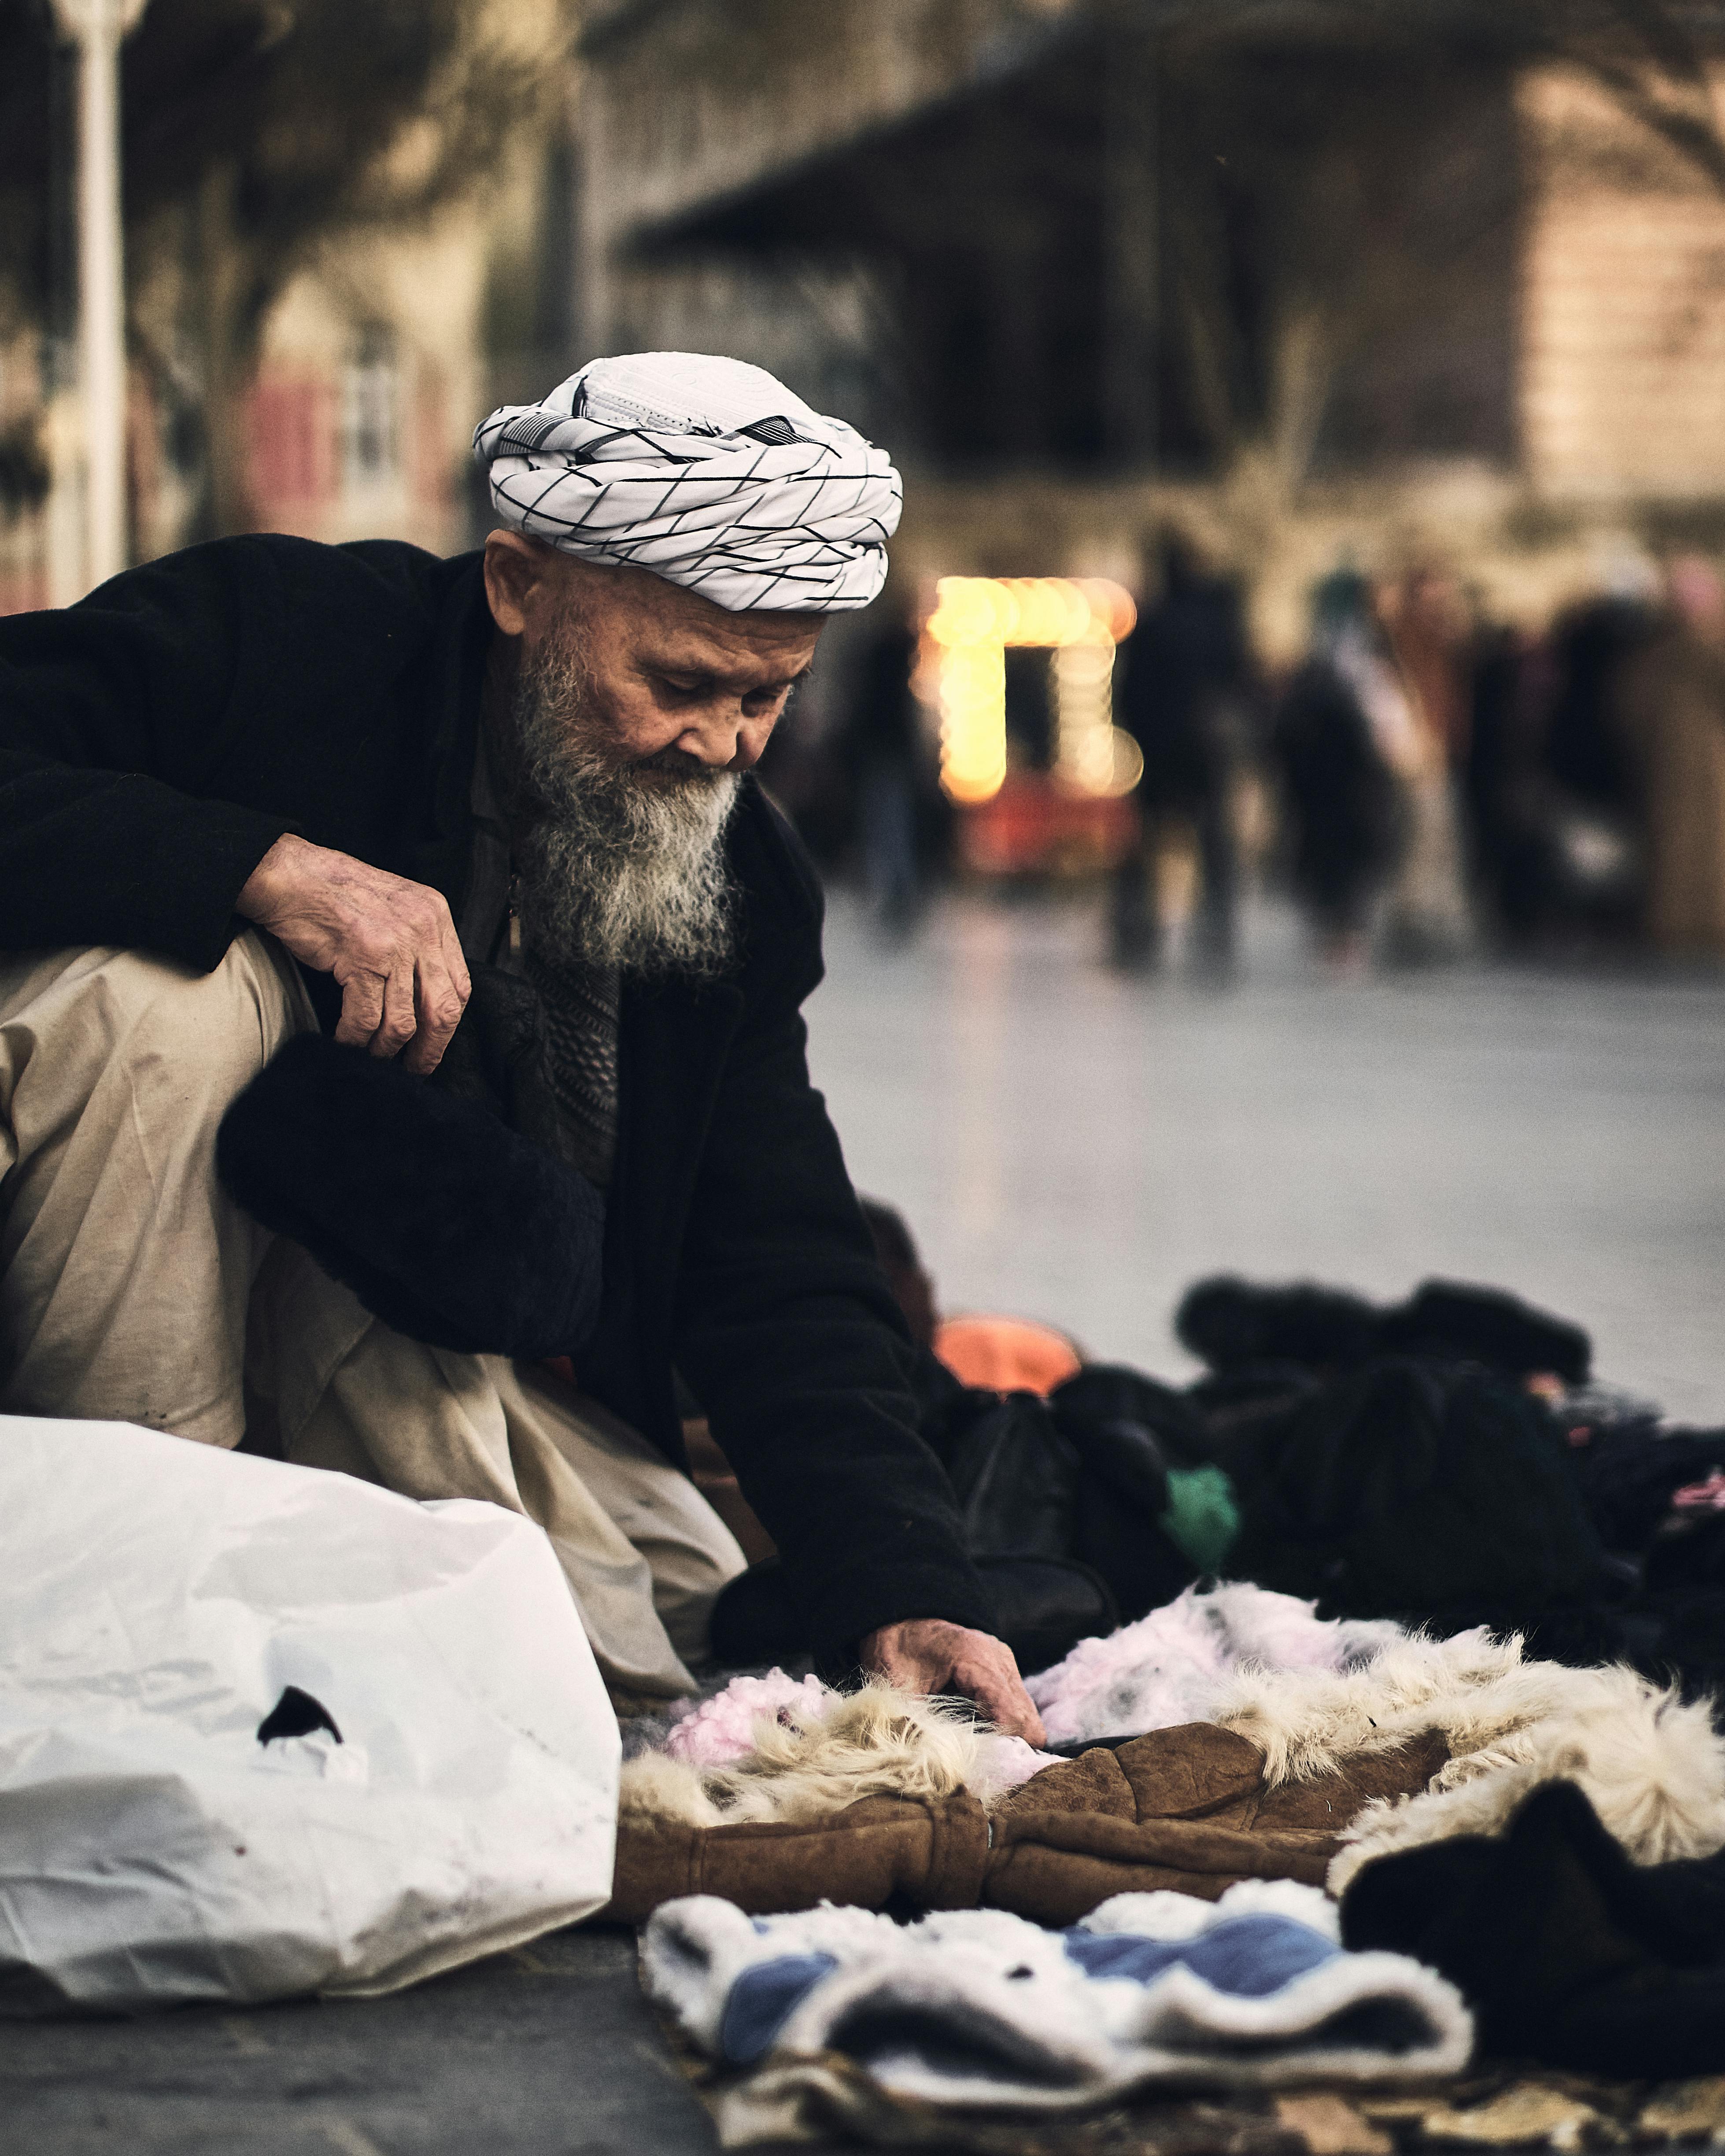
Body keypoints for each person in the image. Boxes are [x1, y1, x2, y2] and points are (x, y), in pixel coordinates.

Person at [0, 350, 1043, 1741]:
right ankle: (124, 1621)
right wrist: (257, 867)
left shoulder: (744, 881)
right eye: (679, 682)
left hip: (396, 1340)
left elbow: (771, 1246)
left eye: (765, 698)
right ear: (517, 587)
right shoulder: (281, 639)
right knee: (169, 1001)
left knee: (661, 1620)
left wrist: (906, 1587)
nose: (722, 747)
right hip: (91, 1299)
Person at [1109, 531, 1256, 975]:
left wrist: (1143, 732)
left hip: (1163, 751)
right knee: (1212, 842)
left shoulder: (1155, 622)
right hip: (1205, 751)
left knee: (1150, 841)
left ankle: (1139, 932)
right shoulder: (1217, 621)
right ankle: (1213, 930)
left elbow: (1130, 691)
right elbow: (1240, 683)